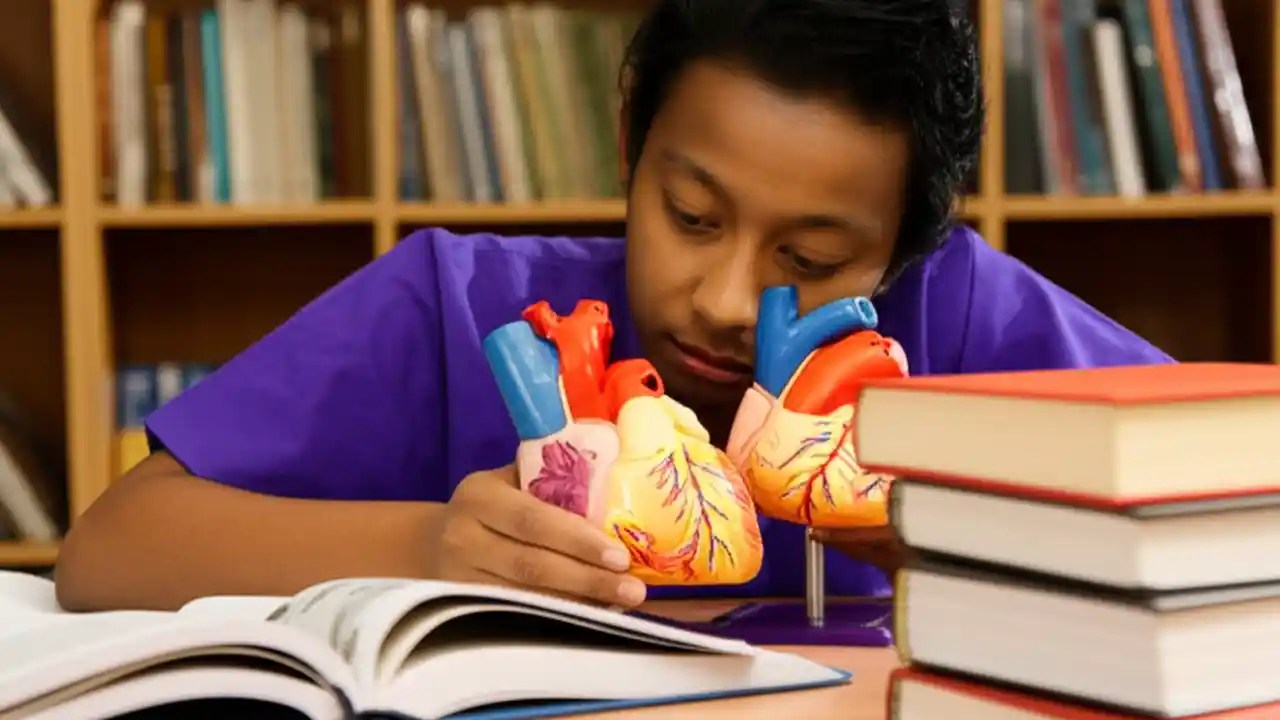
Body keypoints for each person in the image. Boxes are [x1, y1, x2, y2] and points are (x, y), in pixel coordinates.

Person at [54, 0, 1173, 613]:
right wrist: (434, 545)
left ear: (906, 249)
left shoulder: (962, 320)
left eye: (814, 257)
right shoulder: (456, 306)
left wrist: (967, 547)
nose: (728, 300)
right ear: (631, 138)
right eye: (690, 215)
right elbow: (109, 551)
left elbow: (1230, 520)